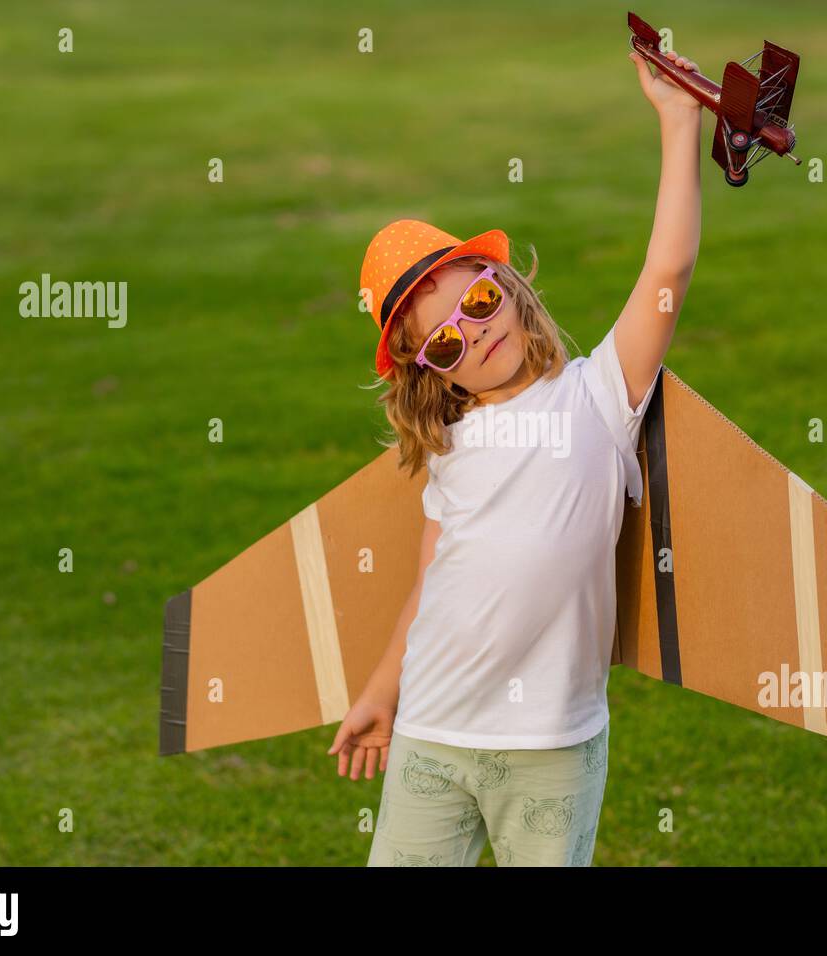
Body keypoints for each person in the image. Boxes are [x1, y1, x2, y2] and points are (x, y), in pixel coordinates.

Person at [328, 49, 703, 866]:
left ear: (503, 279)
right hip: (431, 732)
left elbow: (667, 269)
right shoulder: (452, 447)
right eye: (448, 340)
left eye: (480, 299)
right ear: (432, 369)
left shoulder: (599, 397)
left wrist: (680, 123)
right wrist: (382, 693)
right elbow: (431, 582)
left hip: (550, 750)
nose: (478, 330)